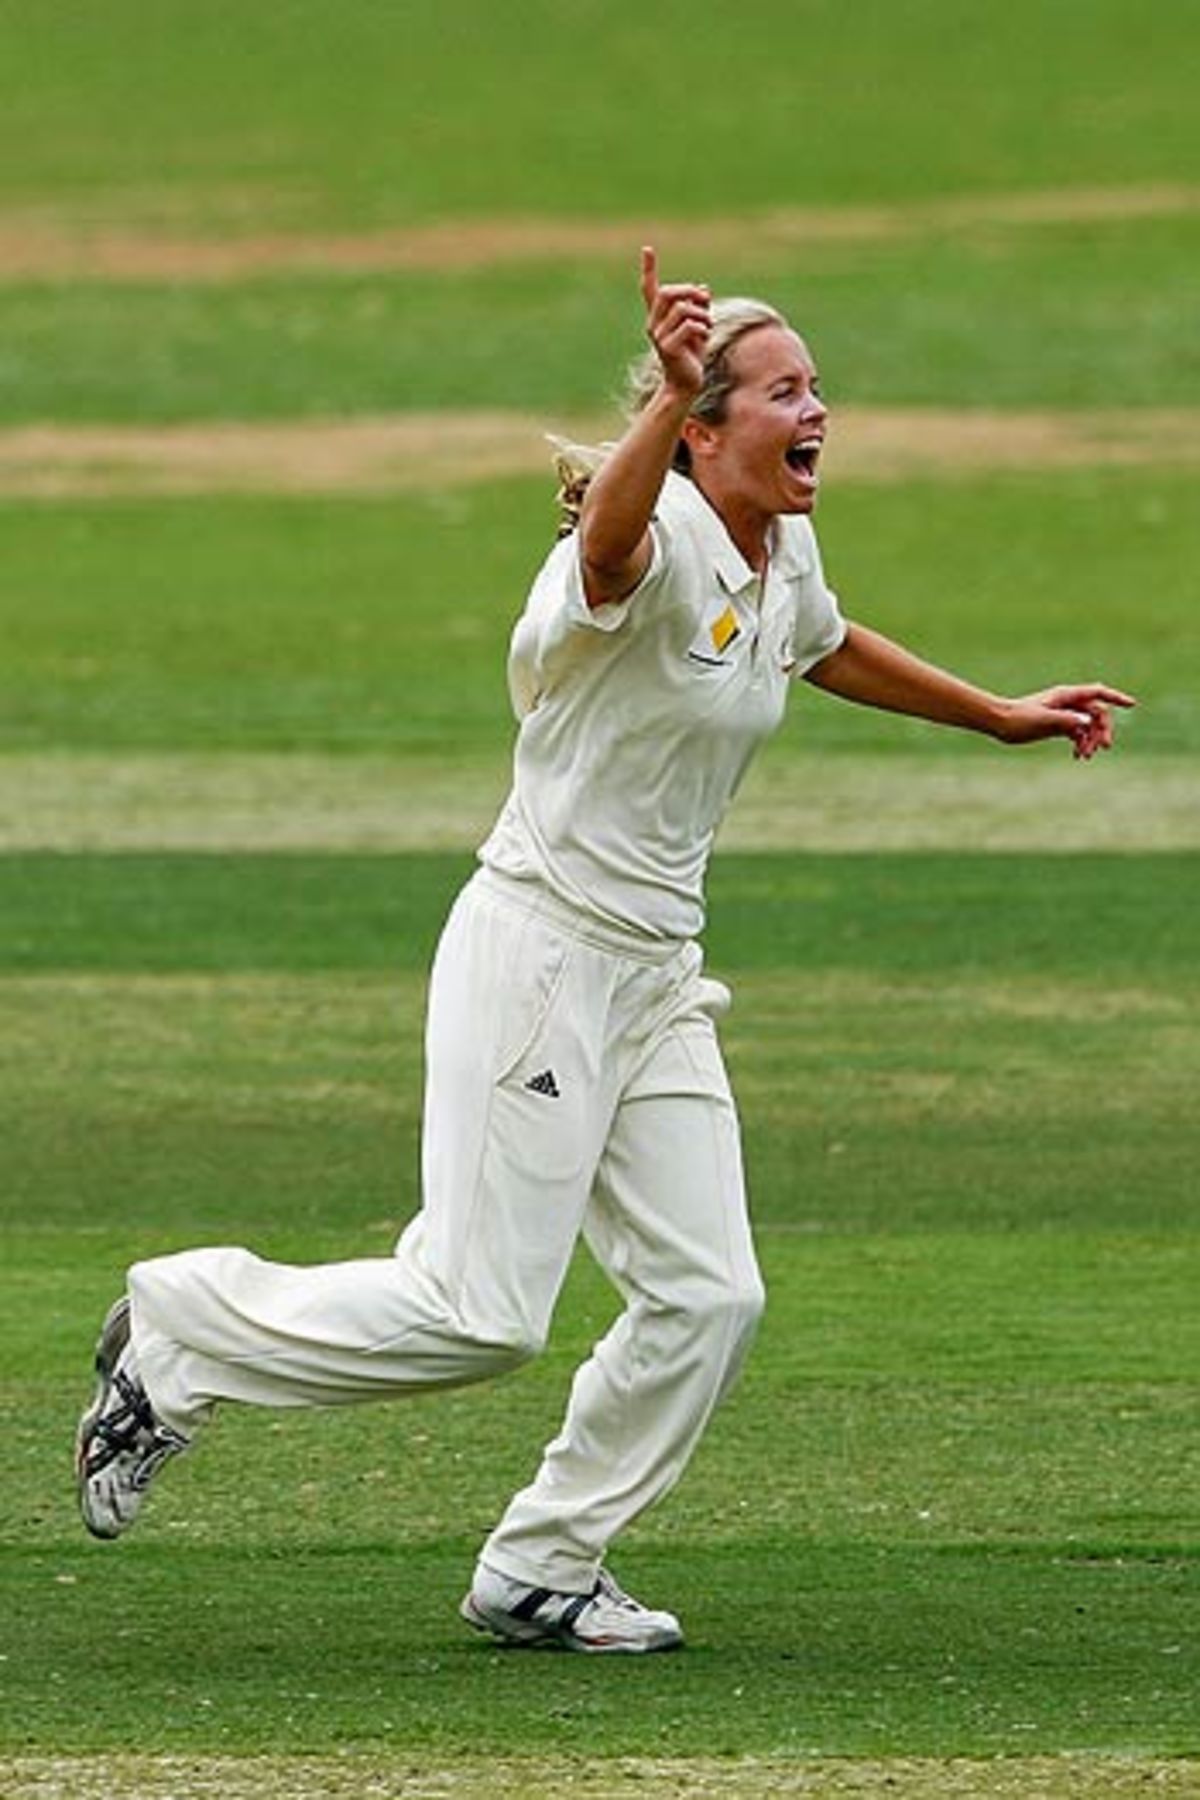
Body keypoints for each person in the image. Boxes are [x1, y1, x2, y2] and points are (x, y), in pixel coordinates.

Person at [74, 248, 1134, 1655]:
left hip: (654, 977)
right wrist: (660, 411)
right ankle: (179, 1334)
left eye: (820, 388)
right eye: (781, 392)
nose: (817, 410)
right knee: (480, 1313)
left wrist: (998, 714)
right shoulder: (647, 542)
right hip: (541, 958)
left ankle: (544, 1566)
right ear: (701, 425)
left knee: (711, 1296)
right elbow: (609, 546)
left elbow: (819, 645)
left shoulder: (778, 547)